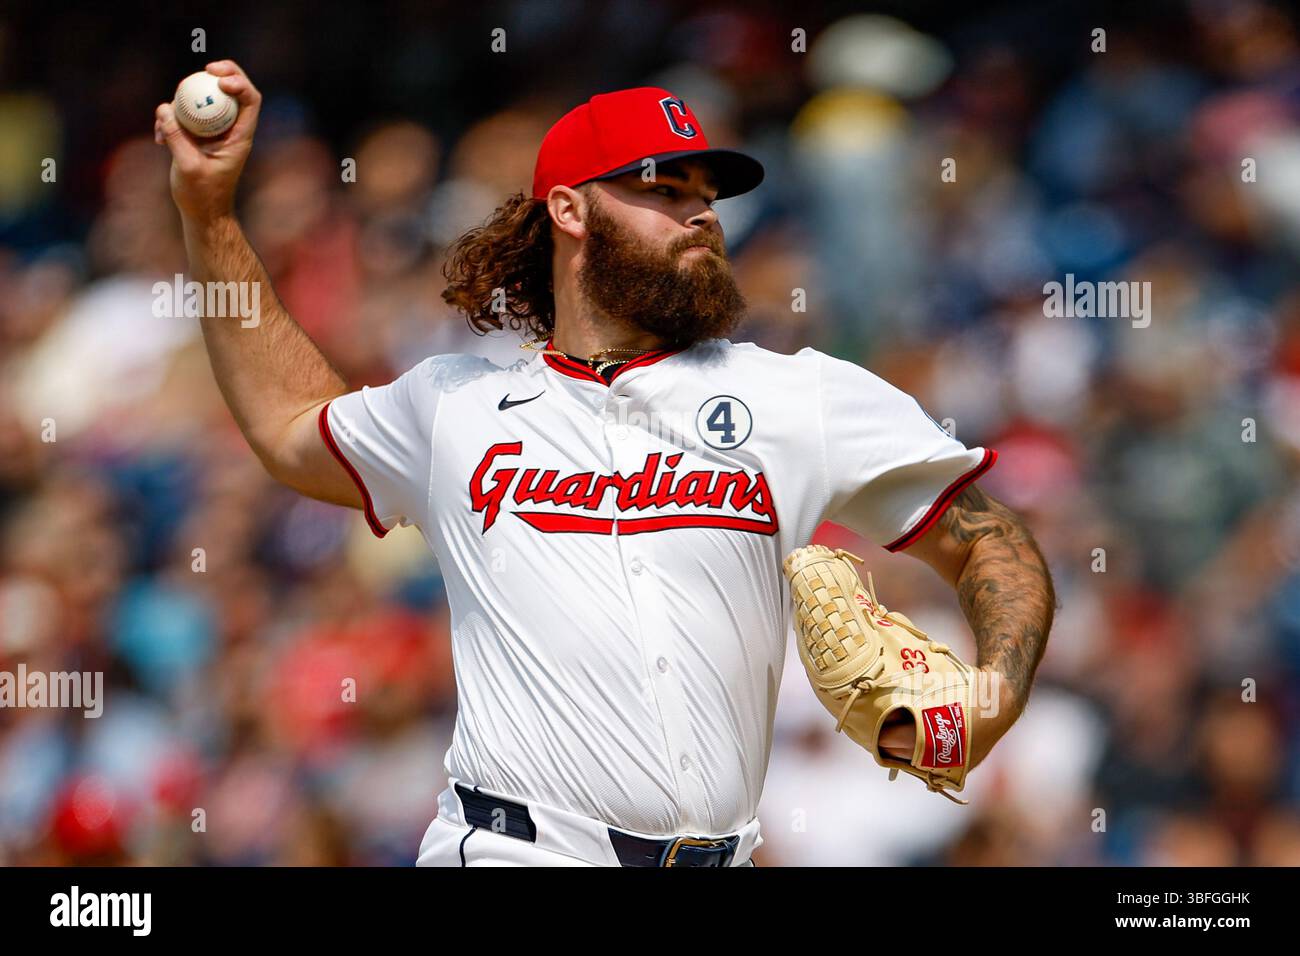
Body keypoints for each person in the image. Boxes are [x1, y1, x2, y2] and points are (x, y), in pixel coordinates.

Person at [155, 62, 1056, 867]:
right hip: (514, 848)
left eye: (707, 190)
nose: (700, 209)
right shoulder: (454, 407)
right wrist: (209, 215)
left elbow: (988, 542)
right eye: (662, 187)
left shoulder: (800, 397)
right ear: (570, 208)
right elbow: (285, 423)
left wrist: (999, 687)